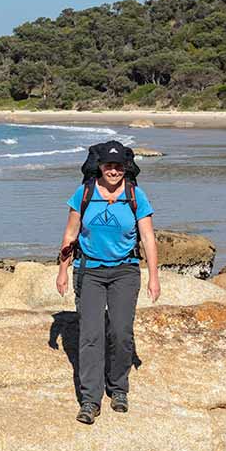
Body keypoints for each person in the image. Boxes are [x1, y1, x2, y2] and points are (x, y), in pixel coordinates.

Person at [55, 144, 159, 424]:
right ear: (99, 167)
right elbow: (70, 234)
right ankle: (90, 399)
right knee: (91, 334)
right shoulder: (84, 193)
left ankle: (119, 389)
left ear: (126, 169)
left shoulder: (136, 196)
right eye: (108, 166)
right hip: (89, 271)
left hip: (125, 271)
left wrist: (154, 277)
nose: (113, 171)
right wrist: (63, 271)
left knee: (121, 332)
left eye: (119, 167)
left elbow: (148, 238)